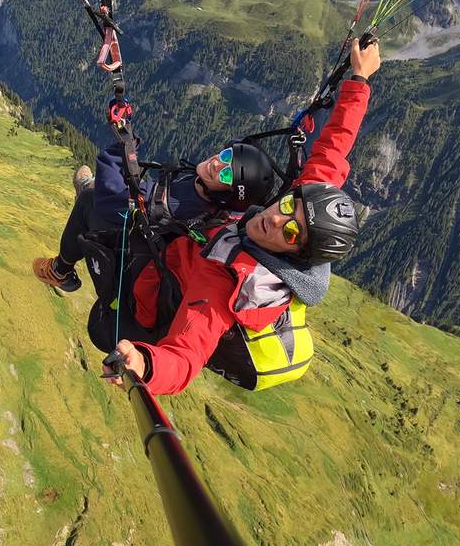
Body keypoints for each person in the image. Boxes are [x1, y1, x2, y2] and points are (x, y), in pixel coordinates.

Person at [103, 37, 381, 395]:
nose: (278, 220)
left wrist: (144, 364)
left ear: (298, 255)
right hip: (202, 237)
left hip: (157, 282)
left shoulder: (229, 281)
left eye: (292, 233)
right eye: (286, 207)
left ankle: (65, 266)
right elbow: (331, 152)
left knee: (103, 212)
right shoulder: (306, 206)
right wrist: (359, 80)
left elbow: (188, 353)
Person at [32, 134, 276, 293]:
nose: (217, 165)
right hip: (146, 225)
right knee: (99, 190)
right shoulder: (209, 200)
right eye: (226, 156)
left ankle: (59, 270)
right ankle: (90, 185)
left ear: (226, 195)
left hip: (126, 243)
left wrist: (121, 147)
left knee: (88, 200)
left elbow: (111, 200)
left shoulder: (176, 205)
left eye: (226, 175)